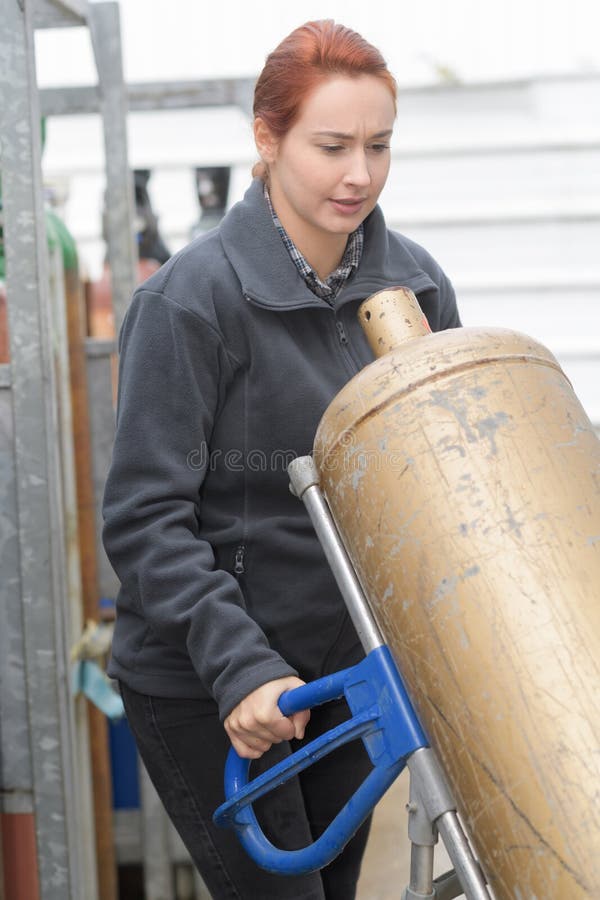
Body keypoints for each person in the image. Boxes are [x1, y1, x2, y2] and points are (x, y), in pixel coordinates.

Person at [103, 19, 460, 900]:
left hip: (347, 672)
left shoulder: (414, 288)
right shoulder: (191, 302)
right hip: (211, 679)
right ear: (266, 140)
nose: (360, 174)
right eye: (331, 146)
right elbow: (144, 519)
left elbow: (442, 486)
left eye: (380, 146)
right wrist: (244, 669)